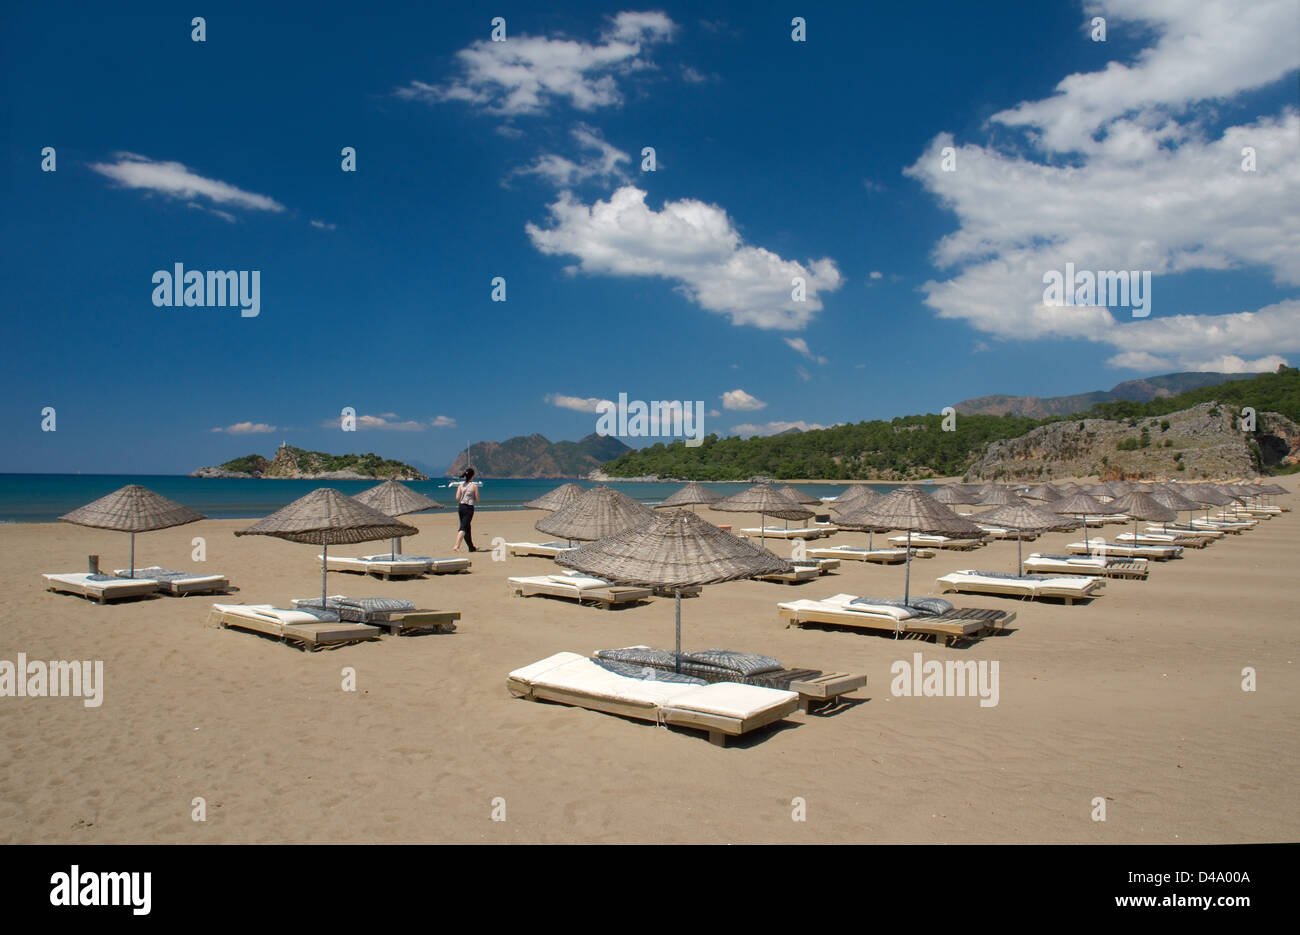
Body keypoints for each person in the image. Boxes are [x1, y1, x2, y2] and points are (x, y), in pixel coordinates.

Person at [453, 468, 479, 552]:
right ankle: (456, 546)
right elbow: (477, 498)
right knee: (463, 527)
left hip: (461, 507)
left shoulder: (460, 485)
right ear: (472, 476)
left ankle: (471, 547)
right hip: (469, 508)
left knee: (467, 527)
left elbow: (457, 497)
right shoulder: (474, 486)